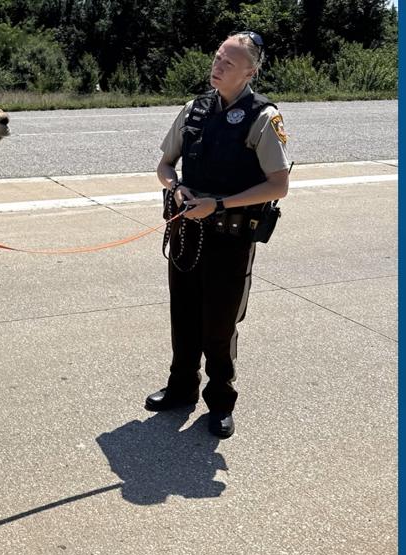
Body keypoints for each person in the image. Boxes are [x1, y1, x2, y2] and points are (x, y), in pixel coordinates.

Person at [145, 31, 291, 438]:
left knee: (220, 323)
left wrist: (220, 204)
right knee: (183, 313)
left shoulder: (263, 117)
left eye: (229, 61)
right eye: (217, 57)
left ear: (250, 71)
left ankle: (221, 400)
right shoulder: (194, 110)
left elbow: (278, 185)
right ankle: (181, 387)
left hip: (231, 237)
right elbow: (165, 166)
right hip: (187, 232)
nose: (218, 65)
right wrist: (177, 187)